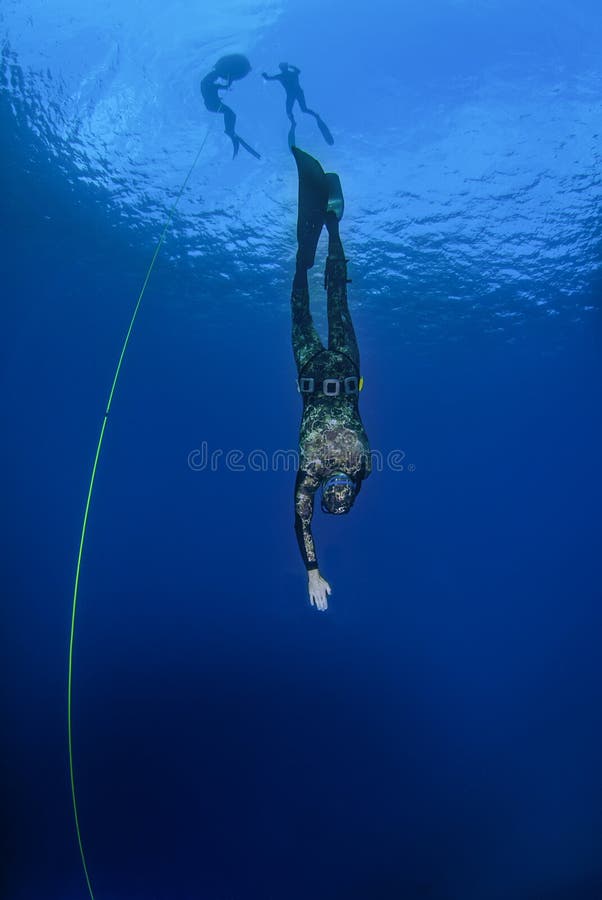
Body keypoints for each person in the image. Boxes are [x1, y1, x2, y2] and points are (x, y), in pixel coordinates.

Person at [290, 147, 371, 611]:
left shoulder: (361, 468)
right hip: (322, 368)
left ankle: (330, 223)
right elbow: (301, 522)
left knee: (328, 298)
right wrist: (312, 571)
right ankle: (318, 239)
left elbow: (302, 521)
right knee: (311, 303)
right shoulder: (312, 478)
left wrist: (314, 570)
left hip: (334, 367)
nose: (338, 485)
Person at [262, 63, 333, 148]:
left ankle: (297, 121)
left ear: (282, 68)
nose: (282, 69)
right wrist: (266, 76)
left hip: (295, 93)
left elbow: (269, 78)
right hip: (295, 93)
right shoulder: (288, 74)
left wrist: (265, 75)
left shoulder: (283, 75)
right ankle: (298, 121)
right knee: (299, 110)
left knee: (299, 110)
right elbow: (298, 71)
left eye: (282, 67)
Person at [201, 65, 260, 160]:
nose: (216, 79)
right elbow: (226, 86)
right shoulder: (209, 85)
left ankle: (229, 130)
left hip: (211, 105)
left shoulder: (206, 84)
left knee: (229, 113)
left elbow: (220, 88)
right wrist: (230, 77)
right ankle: (229, 130)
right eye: (214, 77)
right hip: (212, 105)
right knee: (230, 113)